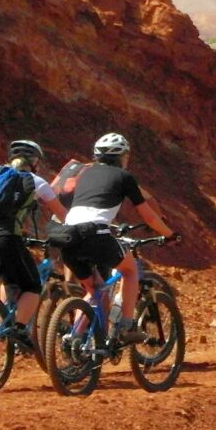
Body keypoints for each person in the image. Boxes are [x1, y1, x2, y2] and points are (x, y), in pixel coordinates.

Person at [56, 132, 172, 345]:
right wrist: (169, 234)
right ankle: (126, 326)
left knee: (96, 291)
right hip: (95, 232)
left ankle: (73, 338)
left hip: (65, 234)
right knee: (129, 270)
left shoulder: (84, 174)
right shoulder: (123, 177)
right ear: (122, 157)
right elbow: (147, 213)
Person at [0, 139, 67, 355]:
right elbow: (62, 214)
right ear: (34, 161)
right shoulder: (35, 181)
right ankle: (19, 329)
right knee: (32, 286)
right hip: (4, 240)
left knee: (8, 277)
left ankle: (5, 320)